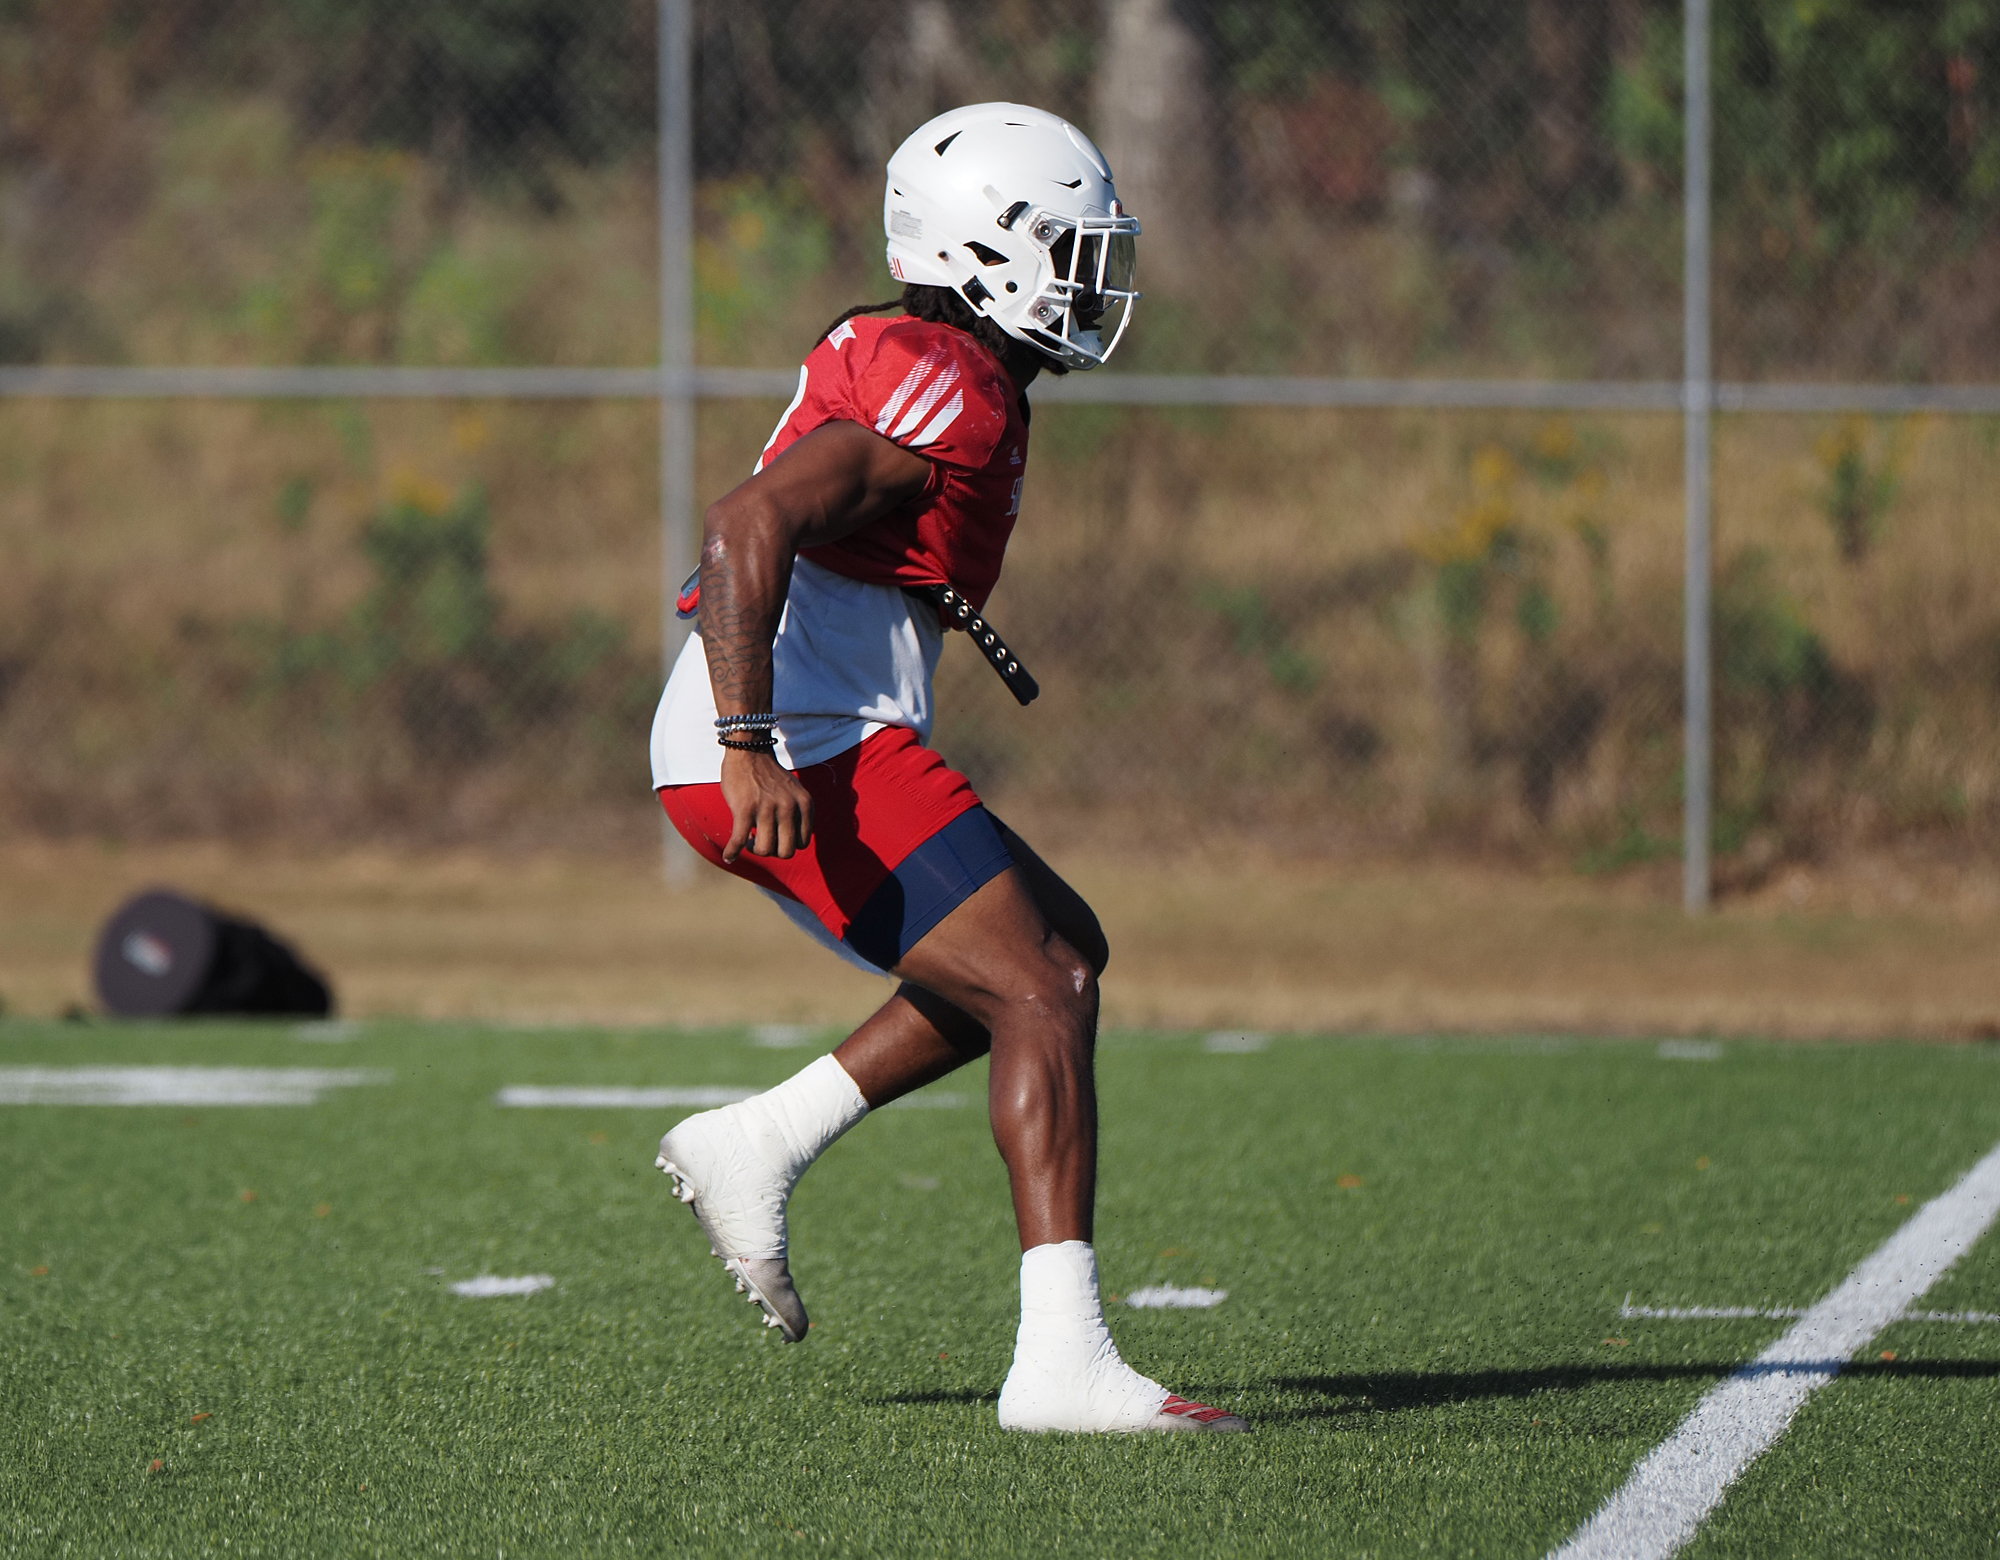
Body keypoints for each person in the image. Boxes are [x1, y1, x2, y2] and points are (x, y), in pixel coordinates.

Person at [649, 102, 1245, 1435]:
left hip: (826, 722)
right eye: (1069, 249)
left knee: (1059, 950)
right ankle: (1060, 1367)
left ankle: (761, 1141)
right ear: (986, 253)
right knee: (1045, 983)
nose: (1096, 281)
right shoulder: (949, 384)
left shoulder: (947, 369)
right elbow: (750, 521)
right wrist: (749, 742)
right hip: (792, 735)